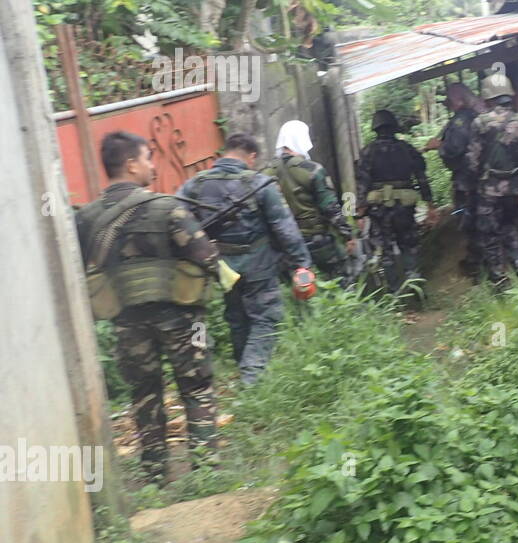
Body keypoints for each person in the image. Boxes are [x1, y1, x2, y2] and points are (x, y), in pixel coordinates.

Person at [77, 132, 222, 482]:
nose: (152, 166)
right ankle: (206, 470)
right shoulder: (167, 207)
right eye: (147, 158)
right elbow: (206, 258)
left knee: (144, 393)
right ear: (130, 164)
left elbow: (82, 268)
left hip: (127, 323)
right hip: (181, 318)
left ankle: (155, 472)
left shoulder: (86, 218)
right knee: (197, 387)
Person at [180, 133, 312, 385]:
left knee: (237, 317)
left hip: (220, 267)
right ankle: (251, 379)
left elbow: (181, 226)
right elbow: (285, 229)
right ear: (251, 157)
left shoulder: (194, 185)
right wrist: (301, 264)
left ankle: (245, 366)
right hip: (259, 265)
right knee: (267, 317)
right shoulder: (260, 184)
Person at [465, 69, 518, 287]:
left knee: (490, 234)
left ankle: (498, 279)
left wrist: (472, 186)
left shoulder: (480, 123)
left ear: (488, 96)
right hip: (514, 189)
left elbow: (472, 162)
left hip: (489, 191)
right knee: (510, 228)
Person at [261, 120, 355, 278]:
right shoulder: (312, 170)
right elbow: (330, 208)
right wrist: (348, 236)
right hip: (318, 245)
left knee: (303, 287)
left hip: (286, 246)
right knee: (340, 280)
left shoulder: (265, 174)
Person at [355, 108, 434, 293]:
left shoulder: (367, 152)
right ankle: (414, 283)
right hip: (404, 209)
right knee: (409, 245)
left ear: (375, 129)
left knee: (385, 250)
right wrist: (430, 204)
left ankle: (395, 293)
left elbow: (362, 183)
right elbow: (422, 177)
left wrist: (358, 212)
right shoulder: (407, 149)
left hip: (379, 210)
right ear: (394, 127)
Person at [425, 82, 482, 280]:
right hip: (479, 177)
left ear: (458, 99)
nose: (447, 104)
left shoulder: (461, 120)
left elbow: (455, 148)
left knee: (468, 218)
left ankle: (476, 263)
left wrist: (437, 145)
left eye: (449, 100)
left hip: (466, 178)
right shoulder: (475, 116)